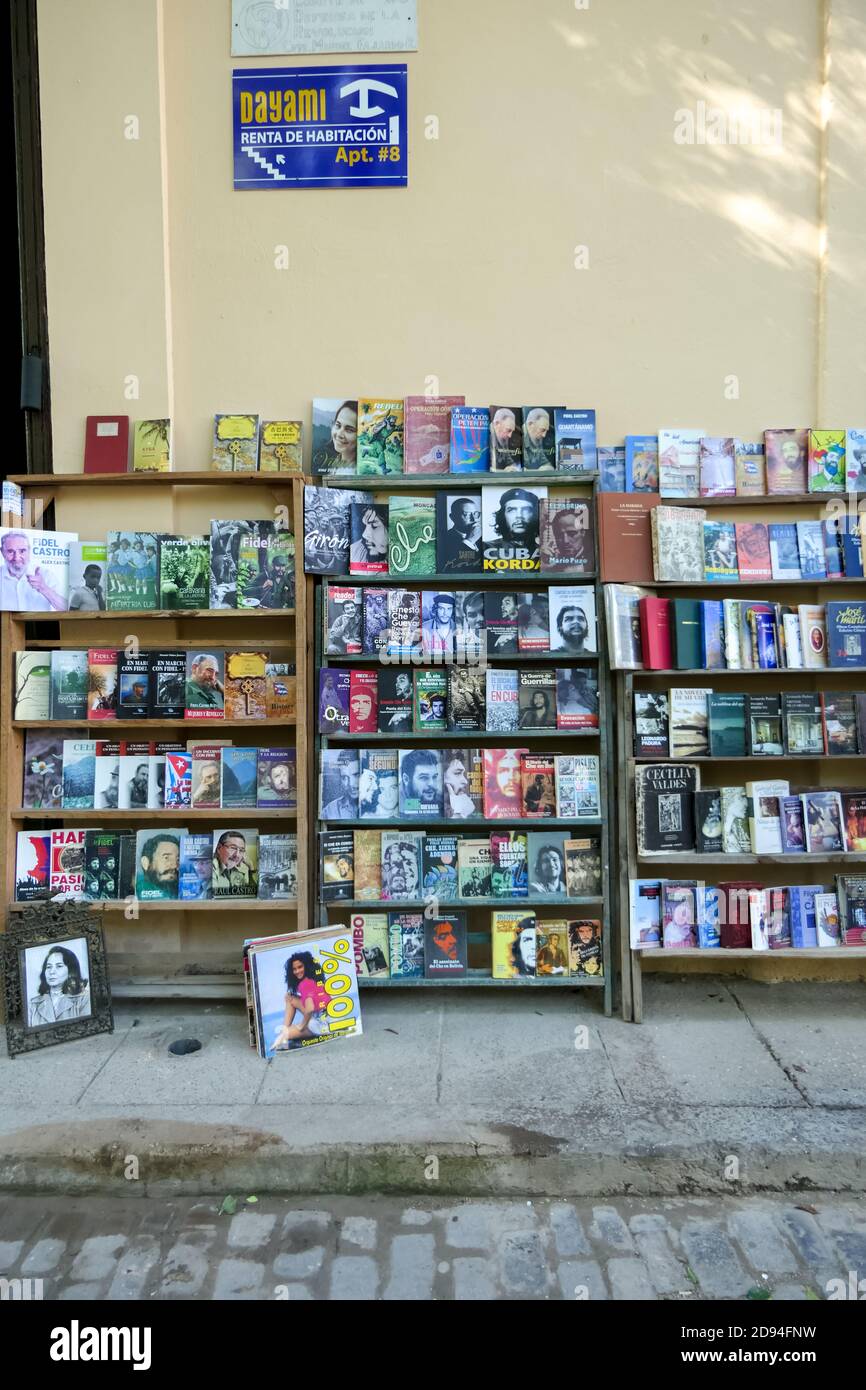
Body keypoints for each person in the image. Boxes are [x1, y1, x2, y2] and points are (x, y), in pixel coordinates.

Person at [273, 951, 329, 1048]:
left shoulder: (305, 984)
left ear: (307, 966)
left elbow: (310, 1008)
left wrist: (301, 1026)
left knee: (283, 1036)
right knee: (290, 998)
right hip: (328, 1017)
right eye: (294, 969)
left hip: (322, 1025)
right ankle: (284, 1030)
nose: (297, 971)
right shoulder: (314, 980)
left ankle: (283, 1034)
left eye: (300, 967)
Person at [0, 531, 66, 611]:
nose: (17, 558)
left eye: (22, 551)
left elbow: (66, 609)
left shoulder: (46, 575)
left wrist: (43, 587)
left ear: (29, 550)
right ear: (2, 552)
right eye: (10, 551)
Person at [28, 945, 91, 1027]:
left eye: (59, 966)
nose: (52, 972)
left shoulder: (84, 999)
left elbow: (84, 1027)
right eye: (49, 967)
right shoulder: (33, 1004)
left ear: (71, 970)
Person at [314, 401, 358, 475]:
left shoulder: (363, 471)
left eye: (349, 430)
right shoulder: (336, 463)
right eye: (338, 425)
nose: (339, 434)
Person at [440, 497, 482, 570]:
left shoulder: (483, 538)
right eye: (466, 514)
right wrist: (469, 541)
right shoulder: (443, 539)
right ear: (452, 517)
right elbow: (450, 568)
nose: (474, 519)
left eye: (475, 514)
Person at [212, 830, 256, 895]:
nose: (237, 855)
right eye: (233, 848)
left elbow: (253, 894)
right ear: (219, 848)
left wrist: (251, 869)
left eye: (241, 850)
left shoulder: (240, 869)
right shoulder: (211, 866)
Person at [399, 749, 442, 815]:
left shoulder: (441, 799)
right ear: (406, 779)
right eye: (424, 777)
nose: (432, 784)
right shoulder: (395, 803)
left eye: (434, 777)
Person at [136, 833, 180, 898]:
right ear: (146, 862)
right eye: (166, 858)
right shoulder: (138, 892)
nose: (175, 866)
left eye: (178, 860)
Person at [322, 751, 359, 819]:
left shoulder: (381, 806)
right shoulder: (329, 810)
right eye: (344, 777)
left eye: (356, 775)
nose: (351, 784)